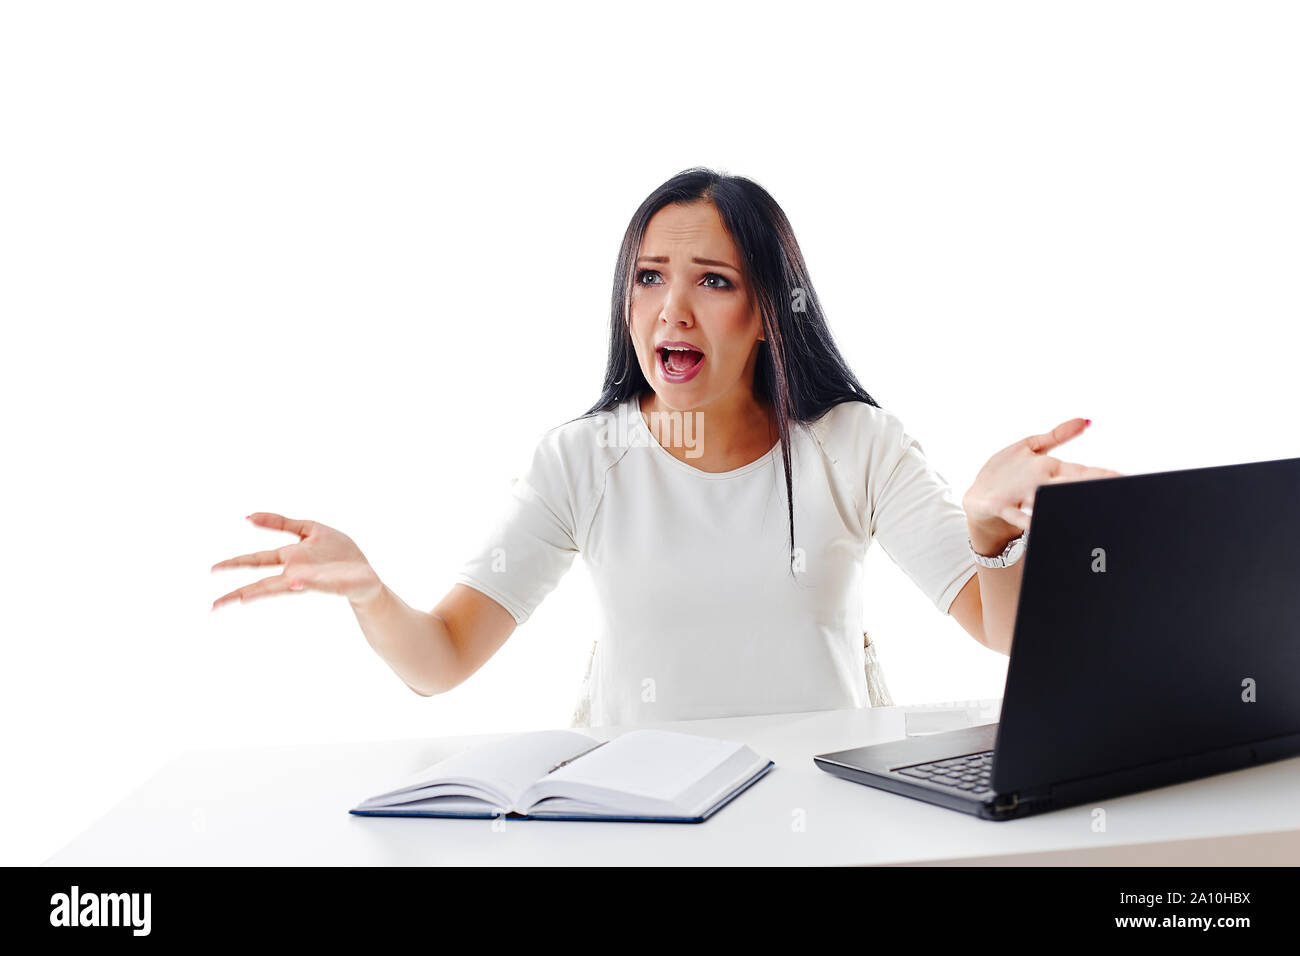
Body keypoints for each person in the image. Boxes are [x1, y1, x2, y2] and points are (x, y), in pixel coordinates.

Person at [211, 167, 1121, 725]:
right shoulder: (581, 460)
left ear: (768, 314)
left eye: (712, 281)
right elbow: (442, 659)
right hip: (636, 820)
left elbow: (999, 625)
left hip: (823, 817)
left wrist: (983, 525)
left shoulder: (857, 445)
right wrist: (371, 593)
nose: (671, 310)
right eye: (649, 277)